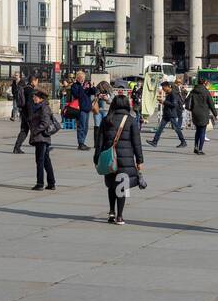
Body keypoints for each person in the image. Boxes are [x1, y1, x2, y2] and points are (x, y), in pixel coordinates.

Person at [96, 86, 144, 224]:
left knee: (111, 185)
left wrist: (97, 157)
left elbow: (99, 141)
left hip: (109, 158)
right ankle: (120, 216)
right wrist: (139, 160)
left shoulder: (106, 120)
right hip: (126, 160)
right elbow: (137, 143)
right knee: (122, 188)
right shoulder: (131, 121)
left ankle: (111, 212)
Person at [28, 88, 59, 190]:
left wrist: (35, 131)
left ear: (40, 98)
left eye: (35, 97)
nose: (33, 98)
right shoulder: (37, 107)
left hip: (42, 138)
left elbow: (45, 123)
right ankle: (51, 183)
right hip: (39, 137)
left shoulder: (44, 108)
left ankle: (40, 183)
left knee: (40, 161)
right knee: (46, 161)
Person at [185, 75, 217, 155]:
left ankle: (195, 146)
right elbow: (211, 104)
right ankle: (200, 149)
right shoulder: (206, 92)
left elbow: (187, 100)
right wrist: (215, 114)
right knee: (202, 131)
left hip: (195, 112)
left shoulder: (193, 91)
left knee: (197, 131)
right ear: (204, 83)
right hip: (203, 113)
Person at [150, 82, 187, 149]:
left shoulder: (173, 94)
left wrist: (164, 102)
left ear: (168, 87)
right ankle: (154, 141)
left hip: (171, 114)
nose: (163, 89)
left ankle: (183, 141)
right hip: (167, 114)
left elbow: (174, 105)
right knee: (160, 128)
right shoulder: (169, 93)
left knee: (177, 128)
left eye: (164, 87)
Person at [69, 70, 96, 151]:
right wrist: (82, 87)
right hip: (80, 109)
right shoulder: (74, 86)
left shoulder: (85, 84)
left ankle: (82, 142)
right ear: (77, 78)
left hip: (87, 108)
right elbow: (76, 95)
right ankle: (81, 143)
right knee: (81, 126)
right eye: (80, 77)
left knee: (86, 127)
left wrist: (92, 87)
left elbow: (93, 92)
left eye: (83, 77)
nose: (82, 79)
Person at [13, 73, 36, 153]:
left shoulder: (25, 88)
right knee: (35, 130)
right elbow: (29, 104)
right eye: (37, 81)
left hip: (23, 112)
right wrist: (31, 115)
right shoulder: (30, 90)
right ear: (33, 81)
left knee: (24, 130)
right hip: (28, 113)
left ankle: (17, 147)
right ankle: (40, 147)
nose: (37, 83)